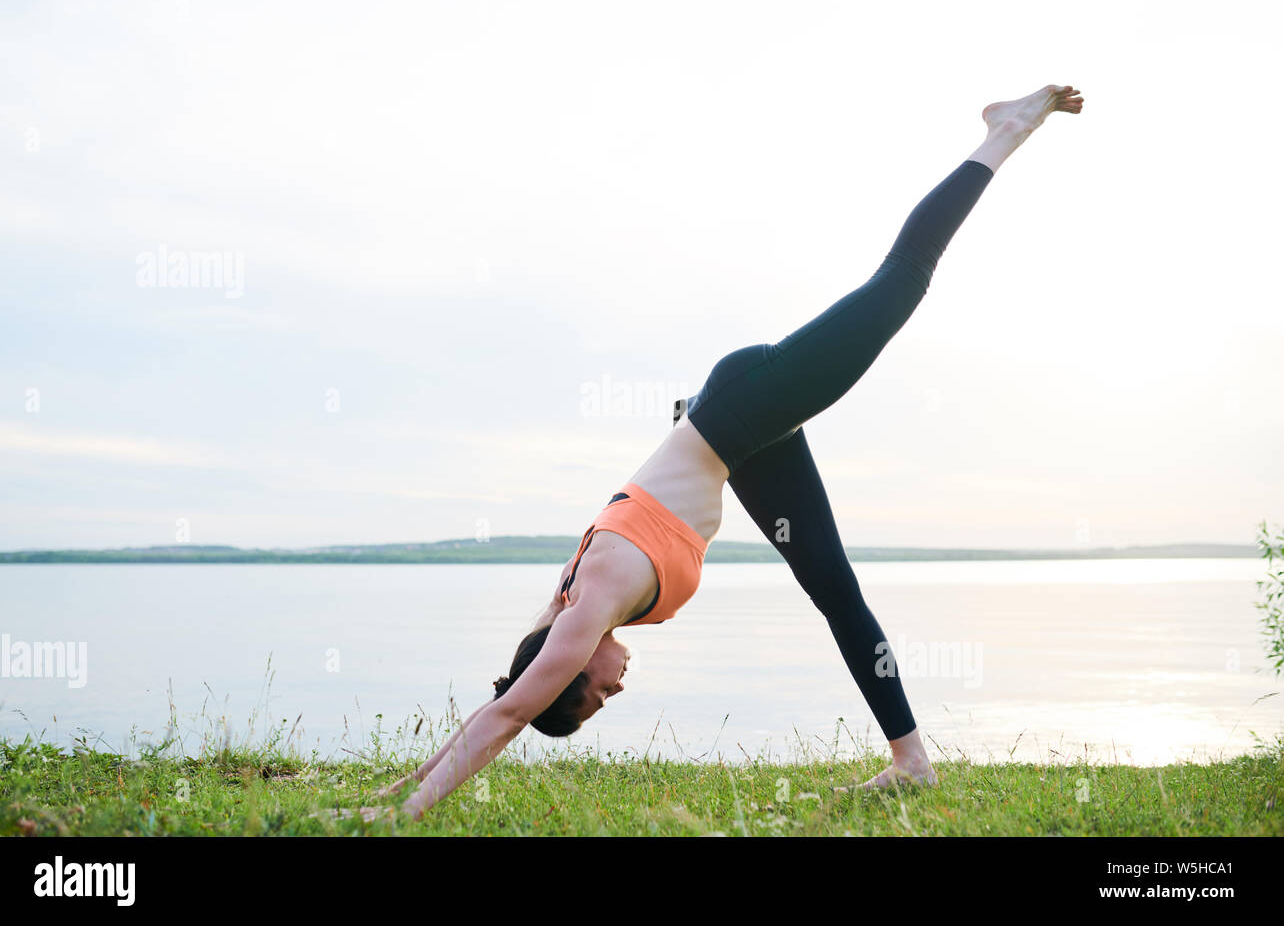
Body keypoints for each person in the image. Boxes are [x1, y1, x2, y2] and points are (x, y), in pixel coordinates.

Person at [381, 84, 1084, 817]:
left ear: (571, 664)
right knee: (833, 587)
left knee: (900, 283)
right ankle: (911, 762)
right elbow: (501, 698)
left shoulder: (588, 603)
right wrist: (397, 784)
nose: (613, 692)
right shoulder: (567, 605)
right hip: (736, 437)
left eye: (591, 698)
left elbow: (506, 716)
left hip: (740, 408)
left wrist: (398, 818)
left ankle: (1004, 131)